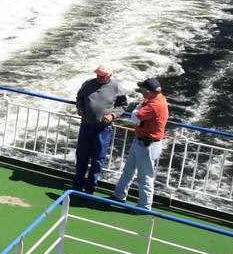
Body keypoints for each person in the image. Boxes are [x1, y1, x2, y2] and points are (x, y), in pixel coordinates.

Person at [111, 78, 168, 209]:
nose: (141, 91)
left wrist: (137, 109)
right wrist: (140, 108)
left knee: (145, 177)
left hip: (148, 145)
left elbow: (135, 116)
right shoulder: (157, 99)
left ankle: (144, 206)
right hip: (141, 141)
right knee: (128, 170)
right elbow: (141, 109)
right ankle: (119, 196)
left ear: (148, 91)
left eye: (142, 89)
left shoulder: (155, 105)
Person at [72, 64, 128, 194]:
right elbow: (79, 97)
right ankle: (77, 185)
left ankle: (90, 188)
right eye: (97, 75)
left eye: (102, 76)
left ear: (109, 76)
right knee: (81, 157)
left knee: (97, 160)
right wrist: (80, 107)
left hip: (102, 129)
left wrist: (112, 115)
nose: (98, 77)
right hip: (86, 126)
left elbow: (123, 106)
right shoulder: (88, 84)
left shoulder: (117, 88)